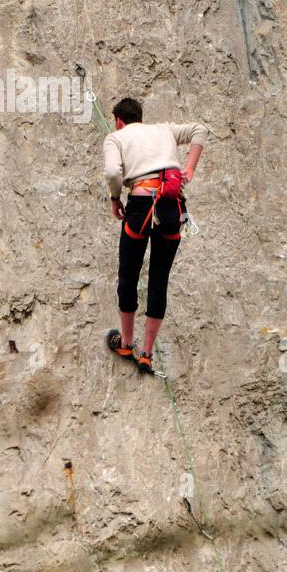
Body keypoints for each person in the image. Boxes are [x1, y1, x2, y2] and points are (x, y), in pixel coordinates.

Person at [102, 98, 207, 375]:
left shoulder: (116, 137)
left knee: (129, 275)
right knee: (159, 279)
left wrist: (115, 198)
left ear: (118, 120)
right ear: (140, 116)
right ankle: (147, 354)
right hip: (172, 207)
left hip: (140, 206)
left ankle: (125, 344)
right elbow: (199, 130)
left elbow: (113, 172)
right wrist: (190, 168)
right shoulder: (164, 130)